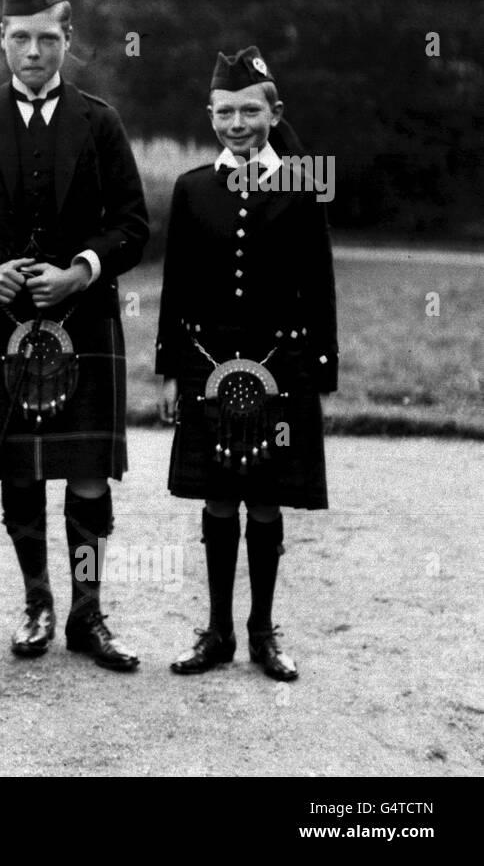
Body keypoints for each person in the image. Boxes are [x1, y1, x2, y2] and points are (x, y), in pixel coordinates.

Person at [0, 0, 149, 668]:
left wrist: (81, 267)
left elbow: (132, 224)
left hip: (83, 324)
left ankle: (87, 613)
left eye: (47, 39)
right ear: (2, 38)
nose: (33, 53)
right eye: (20, 38)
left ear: (67, 38)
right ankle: (37, 605)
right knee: (18, 471)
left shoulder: (99, 121)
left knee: (85, 472)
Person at [158, 46, 337, 682]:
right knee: (216, 501)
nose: (238, 122)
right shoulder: (192, 189)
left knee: (264, 501)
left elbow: (318, 282)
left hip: (280, 367)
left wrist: (320, 369)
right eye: (225, 111)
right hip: (208, 366)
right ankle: (218, 632)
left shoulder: (301, 184)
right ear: (211, 115)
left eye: (250, 110)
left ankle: (263, 631)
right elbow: (177, 286)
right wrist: (170, 371)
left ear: (274, 111)